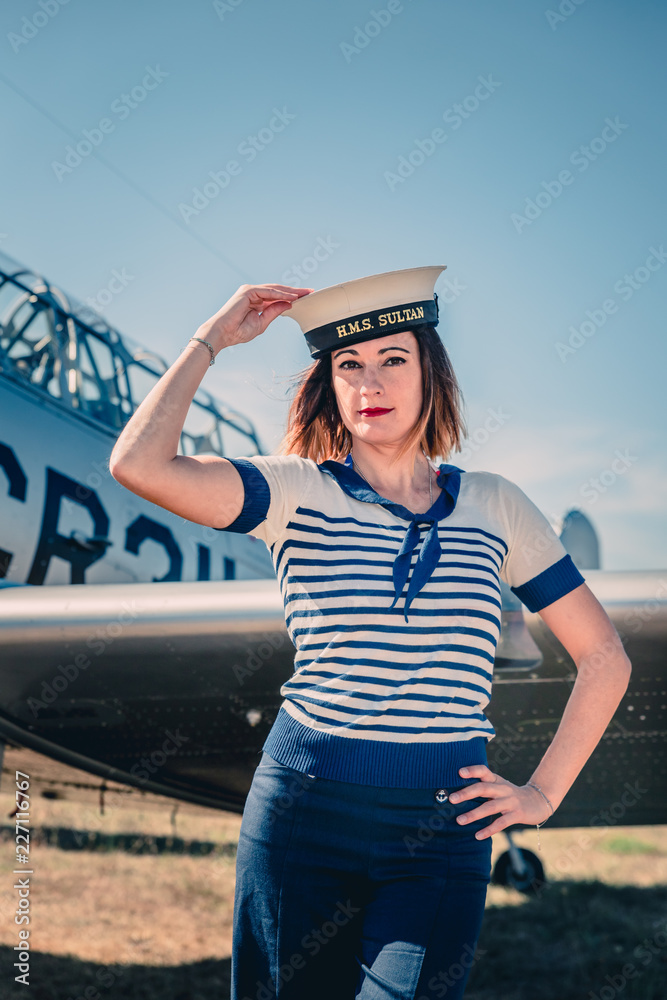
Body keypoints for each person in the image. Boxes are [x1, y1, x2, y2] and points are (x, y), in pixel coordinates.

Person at [109, 266, 632, 1000]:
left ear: (431, 375)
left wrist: (542, 794)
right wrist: (212, 340)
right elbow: (137, 464)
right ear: (330, 386)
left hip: (443, 826)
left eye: (393, 360)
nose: (369, 383)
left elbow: (604, 657)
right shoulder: (292, 490)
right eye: (347, 366)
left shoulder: (494, 505)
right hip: (301, 808)